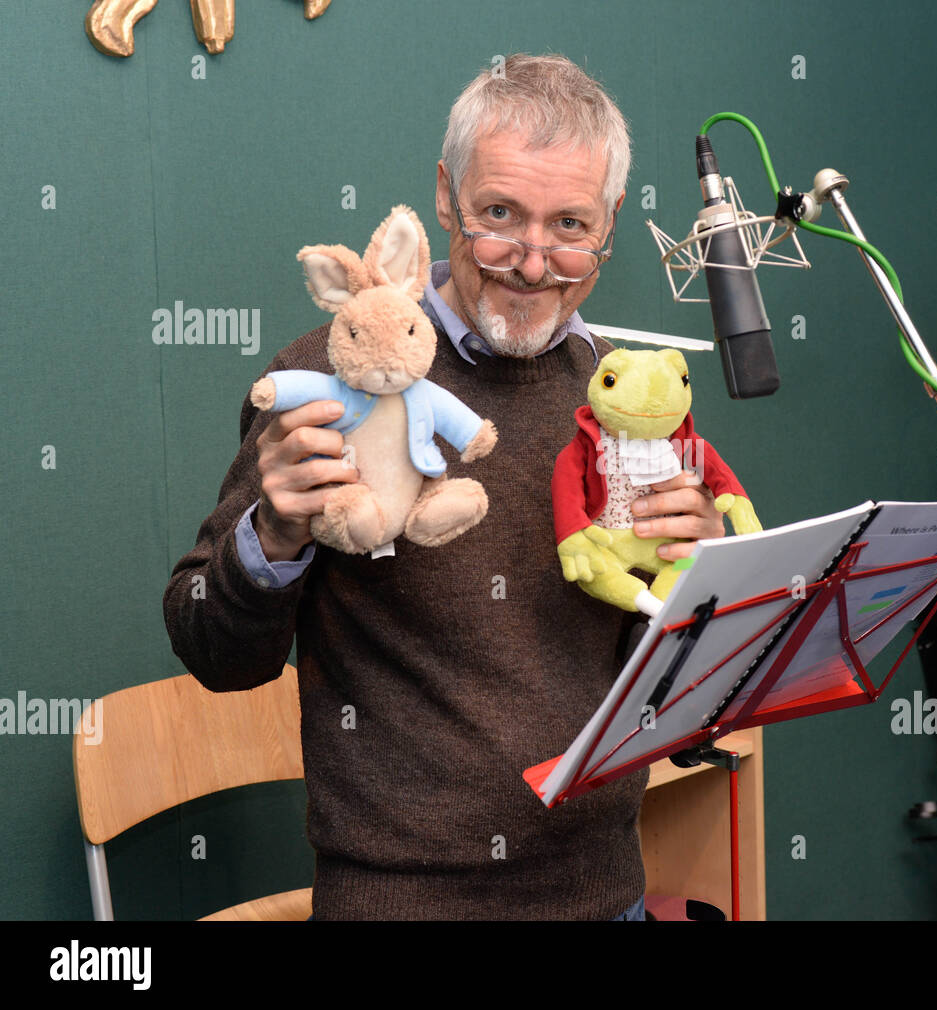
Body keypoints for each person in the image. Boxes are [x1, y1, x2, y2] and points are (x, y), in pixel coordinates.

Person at [162, 53, 726, 920]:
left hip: (605, 896)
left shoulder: (629, 397)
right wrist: (271, 535)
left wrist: (702, 587)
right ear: (443, 196)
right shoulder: (329, 378)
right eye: (499, 215)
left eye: (570, 226)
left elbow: (676, 704)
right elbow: (214, 652)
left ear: (611, 221)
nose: (534, 264)